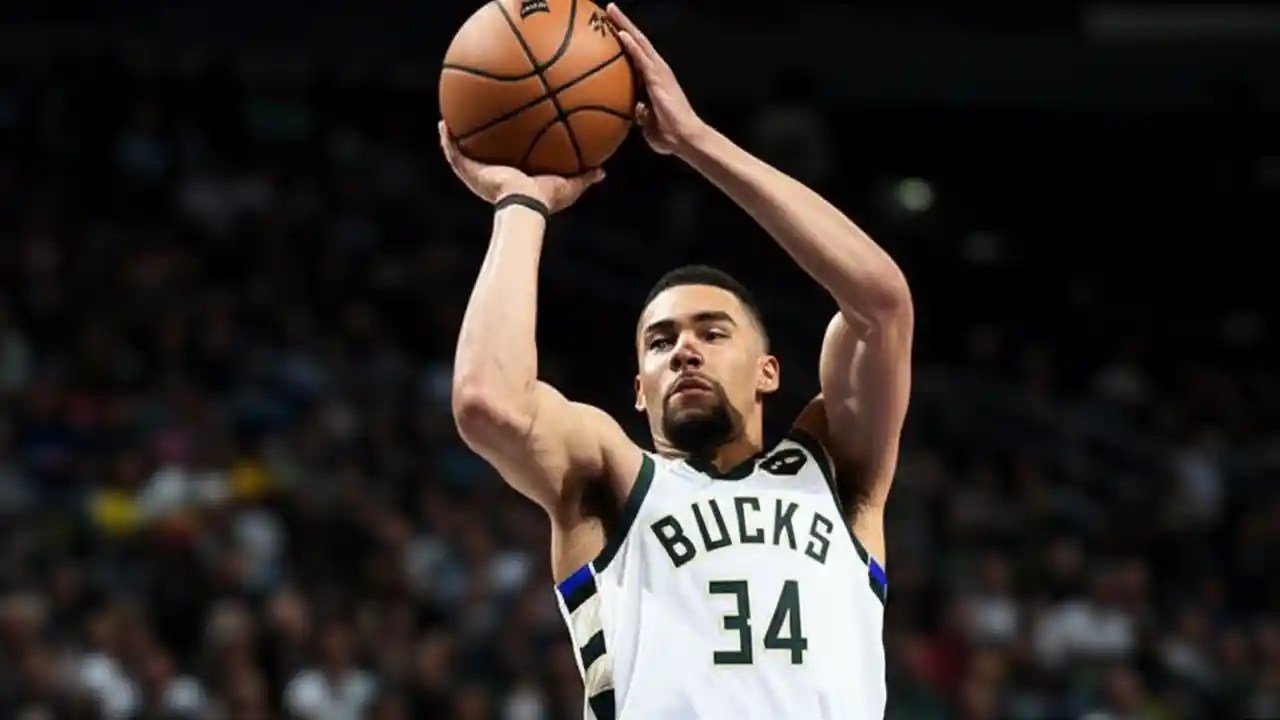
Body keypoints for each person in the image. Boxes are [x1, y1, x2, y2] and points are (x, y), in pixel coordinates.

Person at [439, 4, 913, 718]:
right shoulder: (612, 477)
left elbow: (881, 304)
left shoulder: (836, 472)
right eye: (660, 343)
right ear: (638, 389)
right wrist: (520, 204)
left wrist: (695, 141)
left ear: (769, 372)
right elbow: (487, 402)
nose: (683, 349)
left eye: (712, 332)